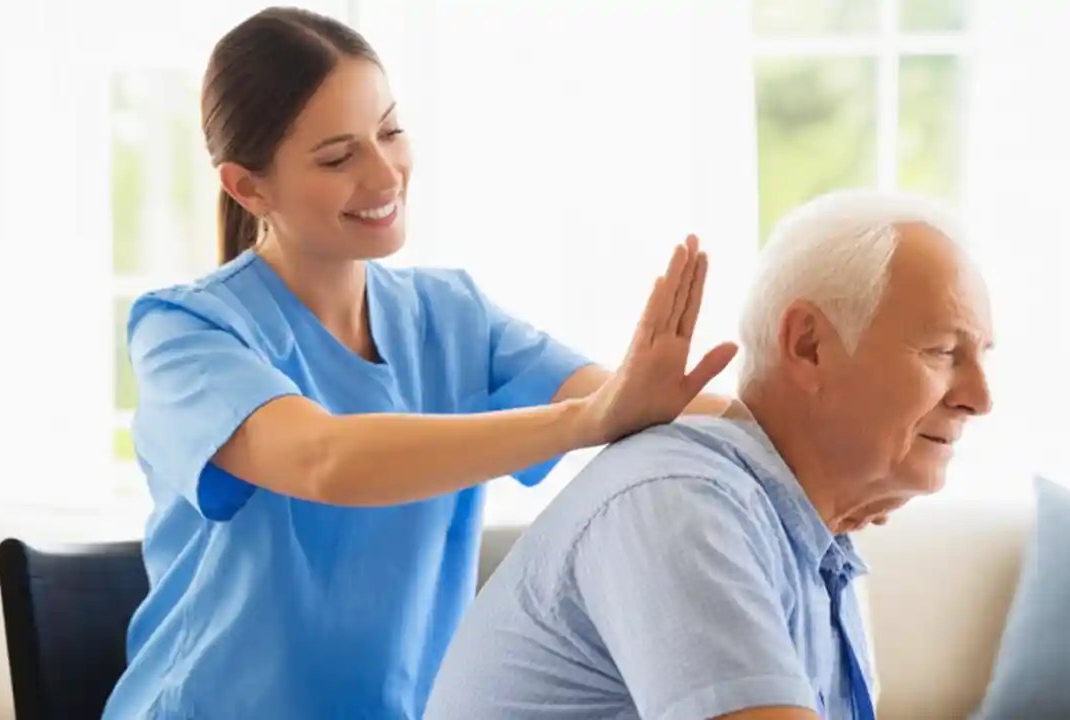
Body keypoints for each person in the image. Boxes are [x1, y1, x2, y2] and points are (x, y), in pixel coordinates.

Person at [101, 7, 739, 719]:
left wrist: (832, 424)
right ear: (249, 188)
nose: (385, 174)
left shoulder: (452, 315)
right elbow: (324, 461)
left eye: (391, 131)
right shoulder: (186, 330)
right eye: (338, 157)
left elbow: (642, 400)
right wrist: (587, 420)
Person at [425, 189, 995, 720]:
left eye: (981, 358)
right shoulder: (680, 501)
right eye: (944, 351)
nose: (980, 399)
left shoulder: (815, 546)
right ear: (808, 345)